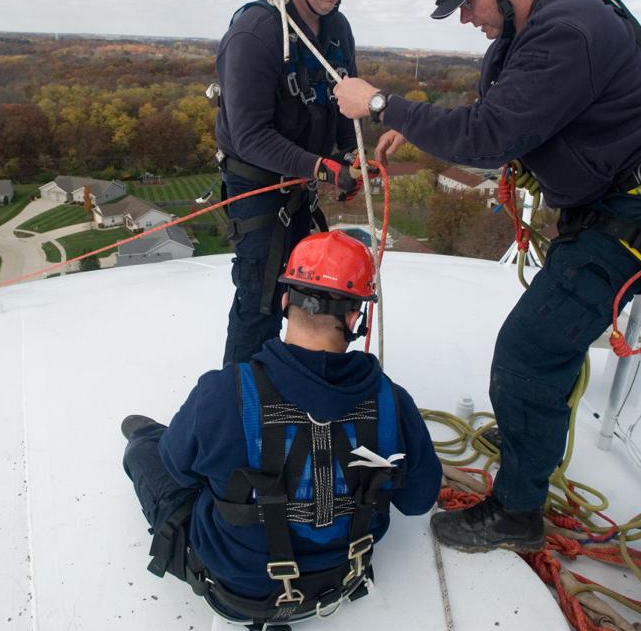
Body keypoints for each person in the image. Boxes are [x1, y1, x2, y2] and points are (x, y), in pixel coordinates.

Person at [334, 0, 641, 552]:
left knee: (527, 355)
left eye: (467, 1)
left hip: (633, 217)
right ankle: (533, 436)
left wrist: (383, 102)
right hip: (605, 208)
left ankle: (516, 512)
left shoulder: (569, 32)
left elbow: (487, 133)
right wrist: (412, 126)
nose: (465, 18)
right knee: (543, 349)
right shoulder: (524, 38)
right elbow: (498, 113)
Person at [121, 230, 441, 629]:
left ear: (285, 300)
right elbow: (418, 500)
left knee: (147, 449)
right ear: (354, 316)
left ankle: (141, 436)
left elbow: (178, 468)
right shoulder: (393, 402)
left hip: (238, 594)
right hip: (341, 580)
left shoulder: (223, 391)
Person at [214, 0, 369, 367]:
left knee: (301, 296)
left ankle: (281, 385)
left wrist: (349, 153)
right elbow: (249, 136)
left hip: (302, 183)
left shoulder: (336, 29)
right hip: (258, 187)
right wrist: (322, 167)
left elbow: (343, 101)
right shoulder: (255, 34)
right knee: (260, 300)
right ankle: (236, 406)